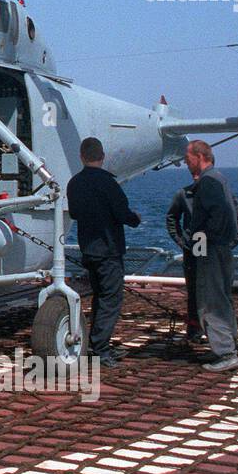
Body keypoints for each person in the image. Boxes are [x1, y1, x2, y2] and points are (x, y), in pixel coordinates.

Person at [66, 136, 141, 366]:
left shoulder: (74, 183)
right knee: (110, 299)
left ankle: (96, 344)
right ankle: (100, 349)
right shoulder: (109, 184)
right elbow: (123, 214)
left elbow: (75, 214)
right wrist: (135, 219)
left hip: (88, 250)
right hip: (109, 251)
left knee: (100, 297)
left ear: (82, 156)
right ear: (102, 157)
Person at [167, 170, 238, 344]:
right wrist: (181, 242)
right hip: (199, 249)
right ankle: (197, 331)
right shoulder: (185, 194)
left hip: (208, 248)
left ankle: (221, 337)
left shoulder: (208, 195)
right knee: (201, 293)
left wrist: (229, 243)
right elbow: (171, 218)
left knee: (211, 293)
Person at [182, 140, 238, 372]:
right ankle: (230, 344)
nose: (186, 164)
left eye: (188, 159)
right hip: (221, 249)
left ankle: (226, 353)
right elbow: (233, 216)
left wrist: (200, 243)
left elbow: (217, 217)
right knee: (222, 298)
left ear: (199, 156)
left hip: (210, 251)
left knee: (210, 302)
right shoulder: (219, 179)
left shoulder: (208, 182)